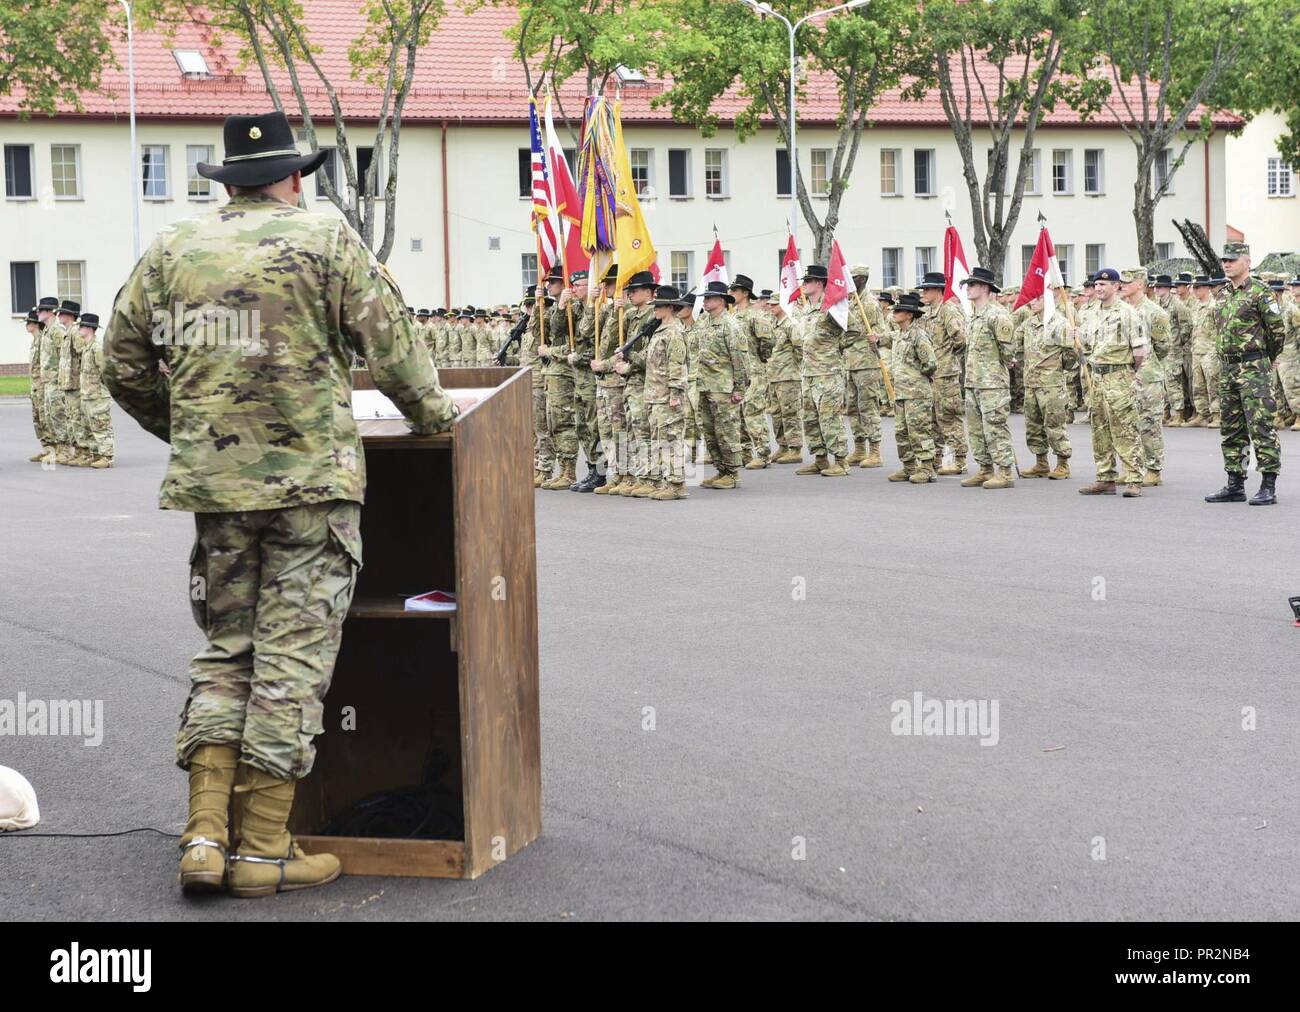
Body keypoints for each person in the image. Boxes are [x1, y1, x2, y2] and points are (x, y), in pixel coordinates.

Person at [102, 111, 461, 898]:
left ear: (229, 181)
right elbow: (392, 345)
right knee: (289, 666)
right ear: (294, 177)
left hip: (217, 492)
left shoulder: (173, 248)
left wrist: (192, 430)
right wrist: (437, 419)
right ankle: (263, 853)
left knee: (227, 653)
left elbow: (120, 363)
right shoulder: (327, 240)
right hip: (310, 489)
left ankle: (202, 839)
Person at [1205, 242, 1284, 506]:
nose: (1226, 264)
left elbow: (1277, 332)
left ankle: (1268, 484)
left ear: (1247, 262)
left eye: (1232, 259)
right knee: (1231, 428)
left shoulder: (1260, 292)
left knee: (1261, 425)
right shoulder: (1224, 293)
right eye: (1224, 260)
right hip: (1228, 369)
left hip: (1253, 369)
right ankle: (1235, 483)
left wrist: (1265, 358)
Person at [1077, 268, 1147, 497]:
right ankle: (1105, 477)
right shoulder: (1089, 313)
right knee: (1099, 429)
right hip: (1096, 376)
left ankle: (1134, 478)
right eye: (1096, 285)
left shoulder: (1127, 313)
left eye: (1103, 285)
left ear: (1116, 286)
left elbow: (1139, 351)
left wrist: (1126, 372)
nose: (1098, 289)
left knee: (1125, 428)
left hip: (1118, 376)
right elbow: (1084, 345)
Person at [959, 267, 1016, 489]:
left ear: (984, 287)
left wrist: (1001, 367)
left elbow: (1007, 350)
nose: (968, 289)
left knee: (994, 426)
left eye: (972, 285)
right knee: (976, 429)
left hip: (992, 383)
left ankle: (1004, 471)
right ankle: (985, 468)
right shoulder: (974, 316)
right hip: (974, 381)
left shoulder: (997, 314)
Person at [793, 265, 850, 476]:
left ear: (819, 283)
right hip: (808, 373)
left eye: (808, 281)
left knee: (829, 419)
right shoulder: (808, 308)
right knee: (810, 419)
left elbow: (852, 331)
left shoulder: (832, 306)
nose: (804, 285)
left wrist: (835, 349)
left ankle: (841, 461)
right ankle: (820, 459)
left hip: (827, 373)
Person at [693, 281, 748, 489]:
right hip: (705, 384)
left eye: (709, 298)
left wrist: (739, 388)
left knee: (726, 431)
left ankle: (732, 472)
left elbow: (740, 359)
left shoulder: (730, 325)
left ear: (722, 301)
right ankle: (721, 469)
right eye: (705, 298)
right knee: (710, 430)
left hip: (723, 387)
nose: (705, 301)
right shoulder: (704, 322)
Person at [882, 293, 939, 484]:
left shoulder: (918, 336)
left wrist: (916, 376)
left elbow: (930, 363)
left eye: (898, 311)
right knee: (901, 431)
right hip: (901, 392)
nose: (894, 313)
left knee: (919, 430)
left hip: (917, 392)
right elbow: (884, 339)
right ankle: (908, 467)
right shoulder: (899, 335)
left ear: (909, 315)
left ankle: (927, 467)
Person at [1121, 269, 1171, 486]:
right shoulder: (1120, 309)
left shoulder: (1154, 312)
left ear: (1140, 284)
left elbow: (1163, 346)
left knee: (1149, 424)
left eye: (1127, 281)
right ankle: (1132, 467)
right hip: (1125, 376)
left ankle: (1153, 468)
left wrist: (1148, 366)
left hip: (1148, 377)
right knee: (1127, 424)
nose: (1122, 285)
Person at [611, 270, 659, 497]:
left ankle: (649, 478)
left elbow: (651, 354)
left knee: (643, 432)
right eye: (629, 291)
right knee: (632, 431)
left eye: (635, 290)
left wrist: (628, 365)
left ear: (650, 292)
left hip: (644, 380)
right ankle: (637, 476)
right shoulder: (634, 314)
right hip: (632, 381)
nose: (630, 294)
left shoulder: (653, 316)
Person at [1016, 296, 1074, 479]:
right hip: (1031, 383)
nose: (1032, 302)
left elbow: (1070, 354)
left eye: (1037, 298)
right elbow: (1015, 344)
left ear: (1047, 299)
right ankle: (1041, 463)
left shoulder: (1060, 324)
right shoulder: (1029, 323)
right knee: (1033, 425)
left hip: (1052, 384)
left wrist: (1056, 369)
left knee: (1054, 424)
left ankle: (1063, 464)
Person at [917, 271, 968, 475]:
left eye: (927, 289)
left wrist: (947, 358)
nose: (924, 293)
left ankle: (959, 459)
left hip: (945, 374)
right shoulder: (928, 313)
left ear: (938, 290)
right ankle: (937, 459)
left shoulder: (948, 311)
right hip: (930, 374)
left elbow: (961, 340)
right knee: (932, 419)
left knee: (949, 417)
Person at [642, 285, 690, 500]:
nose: (655, 309)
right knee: (659, 440)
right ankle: (664, 481)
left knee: (671, 440)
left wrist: (675, 395)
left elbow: (677, 366)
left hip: (667, 396)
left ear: (670, 307)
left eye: (659, 306)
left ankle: (676, 485)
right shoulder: (660, 330)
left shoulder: (674, 332)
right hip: (655, 395)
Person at [538, 267, 579, 490]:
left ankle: (570, 471)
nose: (548, 285)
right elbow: (543, 331)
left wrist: (551, 353)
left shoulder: (573, 307)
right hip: (552, 372)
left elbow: (574, 344)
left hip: (564, 372)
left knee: (564, 422)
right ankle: (562, 469)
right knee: (553, 423)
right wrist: (538, 305)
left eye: (553, 282)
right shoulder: (554, 307)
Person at [843, 265, 887, 469]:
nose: (849, 282)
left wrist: (875, 337)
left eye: (853, 278)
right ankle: (859, 448)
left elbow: (881, 331)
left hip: (866, 363)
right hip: (851, 362)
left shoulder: (869, 303)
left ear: (861, 279)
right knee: (853, 408)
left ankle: (875, 451)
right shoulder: (852, 301)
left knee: (868, 407)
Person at [729, 274, 775, 469]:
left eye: (735, 290)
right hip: (737, 371)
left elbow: (768, 340)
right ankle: (746, 452)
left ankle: (763, 453)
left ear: (745, 293)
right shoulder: (731, 316)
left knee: (752, 410)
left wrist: (760, 358)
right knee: (738, 412)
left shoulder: (755, 315)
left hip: (754, 369)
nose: (731, 294)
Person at [566, 270, 605, 491]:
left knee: (594, 426)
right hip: (579, 378)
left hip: (591, 376)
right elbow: (559, 330)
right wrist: (562, 307)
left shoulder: (597, 307)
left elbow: (593, 340)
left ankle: (600, 472)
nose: (574, 290)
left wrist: (578, 357)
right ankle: (591, 469)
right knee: (582, 425)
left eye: (579, 285)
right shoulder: (576, 308)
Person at [765, 289, 804, 463]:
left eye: (775, 304)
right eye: (770, 304)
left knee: (790, 414)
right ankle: (782, 446)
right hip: (774, 376)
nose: (771, 307)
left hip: (788, 377)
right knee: (776, 414)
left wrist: (794, 368)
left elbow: (800, 349)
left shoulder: (791, 324)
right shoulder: (773, 324)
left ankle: (794, 449)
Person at [74, 313, 115, 468]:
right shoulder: (86, 348)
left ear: (90, 328)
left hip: (97, 395)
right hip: (87, 394)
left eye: (82, 326)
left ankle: (107, 457)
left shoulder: (97, 348)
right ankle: (95, 454)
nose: (79, 328)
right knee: (89, 427)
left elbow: (105, 371)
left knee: (101, 426)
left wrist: (102, 390)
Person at [1187, 275, 1220, 427]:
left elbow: (1220, 329)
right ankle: (1202, 413)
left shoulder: (1215, 306)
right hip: (1197, 350)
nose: (1195, 290)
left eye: (1198, 287)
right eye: (1194, 287)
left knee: (1213, 383)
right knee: (1198, 385)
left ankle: (1217, 414)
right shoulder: (1195, 306)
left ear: (1207, 288)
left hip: (1211, 350)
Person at [25, 307, 49, 462]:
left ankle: (52, 450)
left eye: (28, 322)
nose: (26, 325)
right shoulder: (35, 341)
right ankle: (46, 448)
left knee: (46, 419)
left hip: (42, 385)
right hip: (35, 385)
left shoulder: (42, 340)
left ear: (36, 323)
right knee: (38, 420)